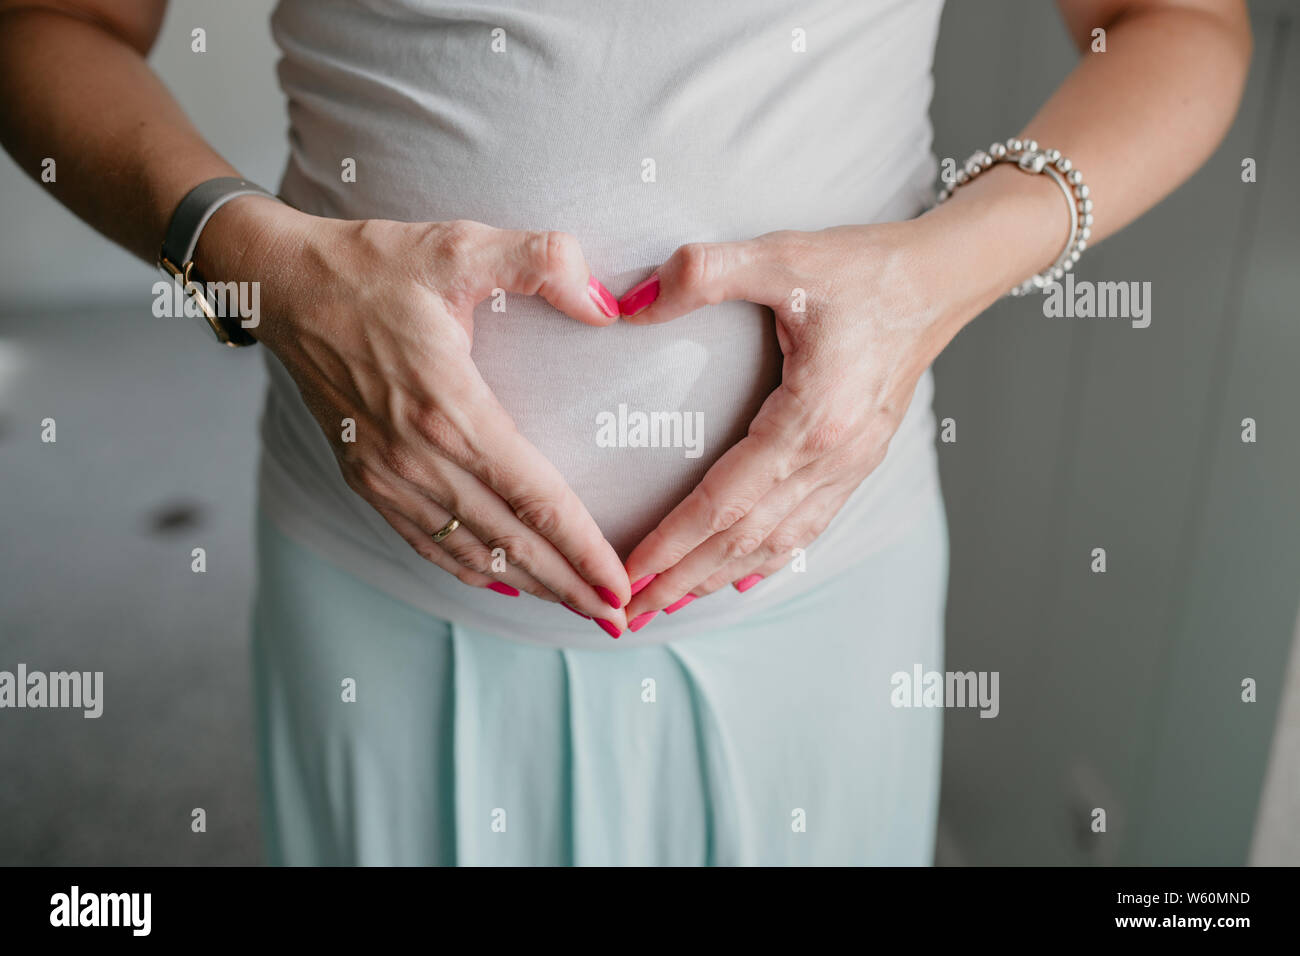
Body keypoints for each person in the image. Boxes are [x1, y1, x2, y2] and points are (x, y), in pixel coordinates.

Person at [0, 0, 1251, 864]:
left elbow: (1181, 22)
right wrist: (261, 266)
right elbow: (50, 26)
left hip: (822, 603)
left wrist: (933, 275)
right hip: (385, 597)